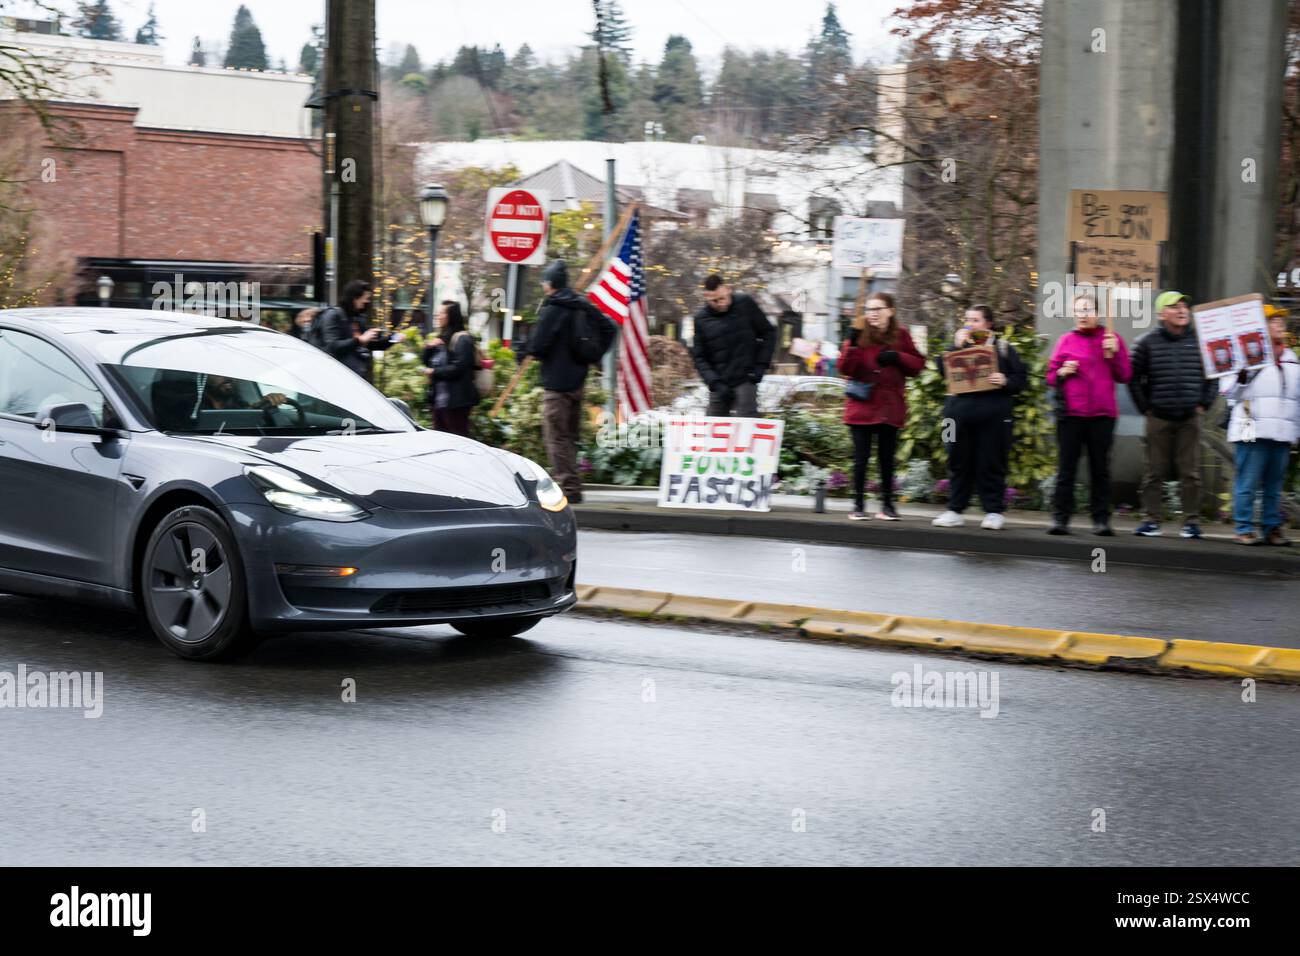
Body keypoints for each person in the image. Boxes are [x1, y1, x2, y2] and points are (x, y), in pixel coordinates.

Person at [1128, 290, 1217, 538]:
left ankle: (1191, 522)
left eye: (1183, 306)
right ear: (1161, 314)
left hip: (1190, 417)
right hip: (1159, 417)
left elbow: (1213, 375)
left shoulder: (1201, 341)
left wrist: (1204, 404)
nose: (1181, 310)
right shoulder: (1145, 342)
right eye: (1174, 306)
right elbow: (1133, 378)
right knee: (1154, 472)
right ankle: (1151, 520)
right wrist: (1145, 407)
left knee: (1190, 473)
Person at [931, 305, 1027, 530]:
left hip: (993, 416)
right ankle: (954, 510)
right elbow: (939, 368)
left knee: (991, 461)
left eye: (975, 320)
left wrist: (1005, 380)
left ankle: (993, 512)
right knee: (955, 459)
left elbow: (1021, 379)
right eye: (967, 319)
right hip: (955, 416)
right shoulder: (957, 345)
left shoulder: (1003, 348)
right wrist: (955, 345)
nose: (969, 324)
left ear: (988, 324)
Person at [1045, 293, 1131, 535]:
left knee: (1100, 469)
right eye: (1078, 310)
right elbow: (1050, 377)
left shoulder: (1112, 339)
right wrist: (1062, 371)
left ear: (1098, 313)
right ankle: (1061, 519)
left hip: (1102, 415)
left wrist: (1115, 354)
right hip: (1071, 414)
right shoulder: (1065, 340)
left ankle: (1101, 520)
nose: (1082, 315)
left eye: (1087, 310)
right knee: (1066, 468)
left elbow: (1124, 375)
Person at [839, 291, 925, 520]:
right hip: (862, 406)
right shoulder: (859, 335)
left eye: (878, 309)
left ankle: (887, 505)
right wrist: (853, 344)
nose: (873, 314)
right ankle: (858, 505)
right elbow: (845, 368)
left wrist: (897, 357)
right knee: (861, 458)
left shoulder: (901, 335)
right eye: (869, 309)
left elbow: (918, 365)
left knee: (887, 458)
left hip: (889, 406)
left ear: (890, 311)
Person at [1221, 305, 1299, 545]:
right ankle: (1243, 528)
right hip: (1249, 426)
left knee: (1274, 485)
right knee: (1248, 480)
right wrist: (1243, 376)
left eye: (1280, 321)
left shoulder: (1291, 358)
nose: (1279, 325)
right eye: (1272, 320)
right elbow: (1228, 393)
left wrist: (1296, 430)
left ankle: (1272, 528)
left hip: (1281, 431)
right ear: (1259, 326)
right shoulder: (1243, 353)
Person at [529, 260, 599, 504]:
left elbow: (537, 346)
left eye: (544, 282)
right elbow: (606, 327)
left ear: (549, 284)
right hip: (578, 382)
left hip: (557, 385)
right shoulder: (580, 305)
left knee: (556, 436)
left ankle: (569, 488)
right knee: (569, 436)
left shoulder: (553, 308)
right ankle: (573, 484)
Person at [691, 274, 775, 416]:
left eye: (722, 298)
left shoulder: (745, 303)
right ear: (706, 296)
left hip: (746, 379)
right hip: (719, 382)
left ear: (727, 289)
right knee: (712, 429)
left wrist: (761, 365)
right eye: (714, 301)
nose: (720, 303)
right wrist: (713, 382)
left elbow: (768, 333)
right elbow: (699, 356)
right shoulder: (701, 319)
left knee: (746, 426)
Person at [421, 300, 480, 438]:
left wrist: (435, 372)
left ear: (451, 316)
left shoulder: (463, 339)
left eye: (441, 313)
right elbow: (427, 362)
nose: (438, 316)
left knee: (459, 440)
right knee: (441, 441)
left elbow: (459, 368)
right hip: (440, 402)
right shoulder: (442, 338)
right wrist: (429, 348)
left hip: (456, 402)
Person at [317, 279, 383, 381]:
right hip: (335, 376)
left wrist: (393, 338)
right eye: (365, 298)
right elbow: (332, 346)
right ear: (355, 298)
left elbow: (373, 345)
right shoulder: (333, 315)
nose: (367, 302)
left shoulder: (357, 319)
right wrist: (360, 340)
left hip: (354, 377)